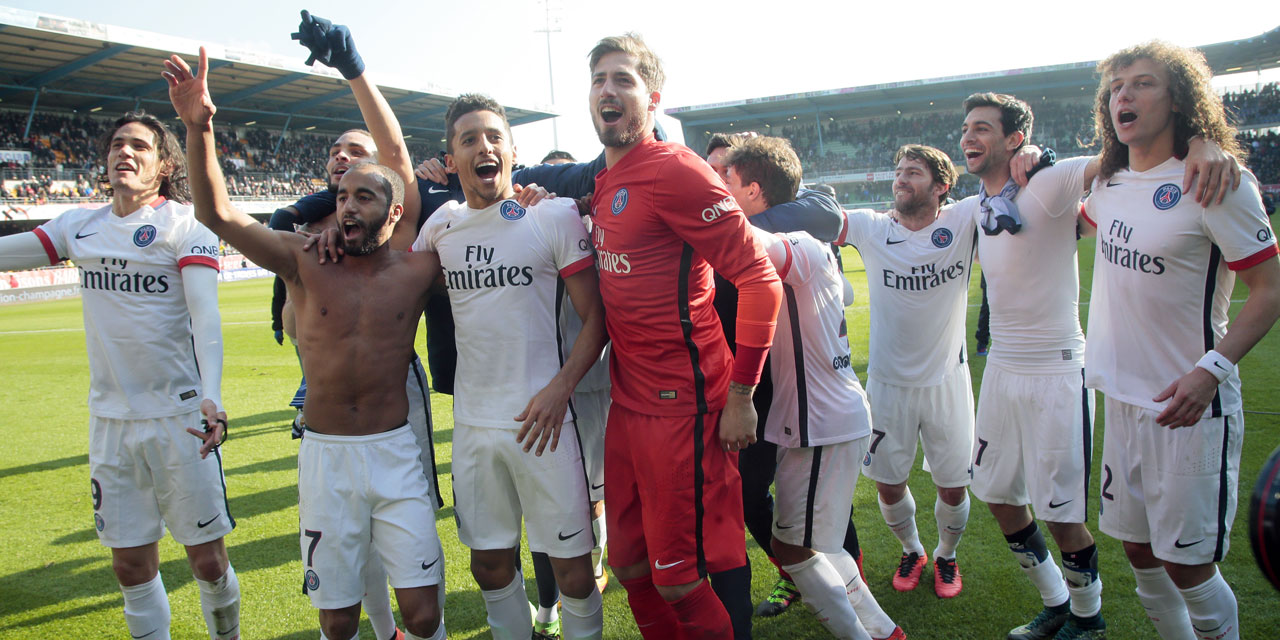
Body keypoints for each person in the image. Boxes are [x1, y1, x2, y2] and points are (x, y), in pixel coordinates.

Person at [165, 48, 446, 640]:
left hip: (396, 452)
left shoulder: (418, 267)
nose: (346, 205)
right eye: (341, 196)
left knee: (423, 616)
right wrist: (199, 126)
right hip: (325, 458)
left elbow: (400, 162)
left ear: (395, 213)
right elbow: (215, 212)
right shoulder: (303, 259)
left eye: (362, 197)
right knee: (338, 621)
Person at [954, 90, 1239, 640]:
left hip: (1058, 369)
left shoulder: (1052, 182)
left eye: (984, 128)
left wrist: (1202, 140)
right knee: (998, 496)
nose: (969, 136)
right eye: (967, 127)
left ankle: (1089, 617)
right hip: (1001, 371)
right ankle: (1057, 602)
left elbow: (1122, 160)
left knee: (1062, 513)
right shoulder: (980, 205)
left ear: (1014, 139)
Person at [0, 110, 239, 640]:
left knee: (207, 563)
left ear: (163, 165)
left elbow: (205, 314)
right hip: (111, 422)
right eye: (116, 144)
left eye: (138, 146)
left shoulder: (185, 224)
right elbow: (6, 253)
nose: (123, 153)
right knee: (130, 568)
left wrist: (212, 395)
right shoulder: (77, 225)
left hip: (179, 418)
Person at [587, 33, 783, 640]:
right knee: (629, 565)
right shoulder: (604, 179)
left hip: (686, 406)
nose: (608, 91)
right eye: (598, 80)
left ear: (653, 97)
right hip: (629, 403)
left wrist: (743, 396)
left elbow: (760, 279)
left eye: (623, 79)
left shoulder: (675, 171)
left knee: (685, 574)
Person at [1081, 41, 1280, 640]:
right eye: (1116, 86)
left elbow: (1269, 289)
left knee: (1188, 565)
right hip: (1121, 398)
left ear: (1180, 100)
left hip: (1188, 404)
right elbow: (1076, 211)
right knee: (1139, 551)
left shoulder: (1217, 180)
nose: (1124, 96)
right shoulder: (1110, 182)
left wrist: (1209, 371)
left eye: (1142, 83)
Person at [411, 93, 606, 640]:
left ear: (513, 149)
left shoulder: (551, 214)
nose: (484, 146)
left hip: (543, 423)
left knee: (572, 570)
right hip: (474, 428)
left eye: (494, 136)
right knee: (489, 566)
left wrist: (561, 389)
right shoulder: (439, 227)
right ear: (451, 159)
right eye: (468, 139)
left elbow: (598, 319)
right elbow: (390, 285)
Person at [724, 136, 904, 640]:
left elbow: (741, 243)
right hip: (821, 418)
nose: (719, 192)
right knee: (812, 545)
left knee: (795, 549)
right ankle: (884, 633)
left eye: (727, 184)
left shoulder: (796, 244)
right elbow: (840, 291)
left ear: (754, 191)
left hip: (820, 422)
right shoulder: (814, 244)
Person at [706, 130, 864, 620]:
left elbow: (804, 222)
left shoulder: (792, 238)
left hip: (803, 402)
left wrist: (682, 215)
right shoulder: (781, 234)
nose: (711, 185)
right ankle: (804, 578)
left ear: (752, 188)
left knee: (818, 527)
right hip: (761, 392)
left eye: (721, 176)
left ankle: (849, 600)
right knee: (766, 508)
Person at [836, 144, 974, 599]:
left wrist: (1032, 153)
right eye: (898, 172)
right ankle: (913, 549)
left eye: (913, 172)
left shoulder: (964, 220)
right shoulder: (875, 228)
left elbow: (1013, 193)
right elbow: (822, 215)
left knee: (953, 487)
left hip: (946, 383)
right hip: (888, 384)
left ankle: (946, 556)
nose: (901, 179)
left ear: (941, 186)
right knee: (889, 483)